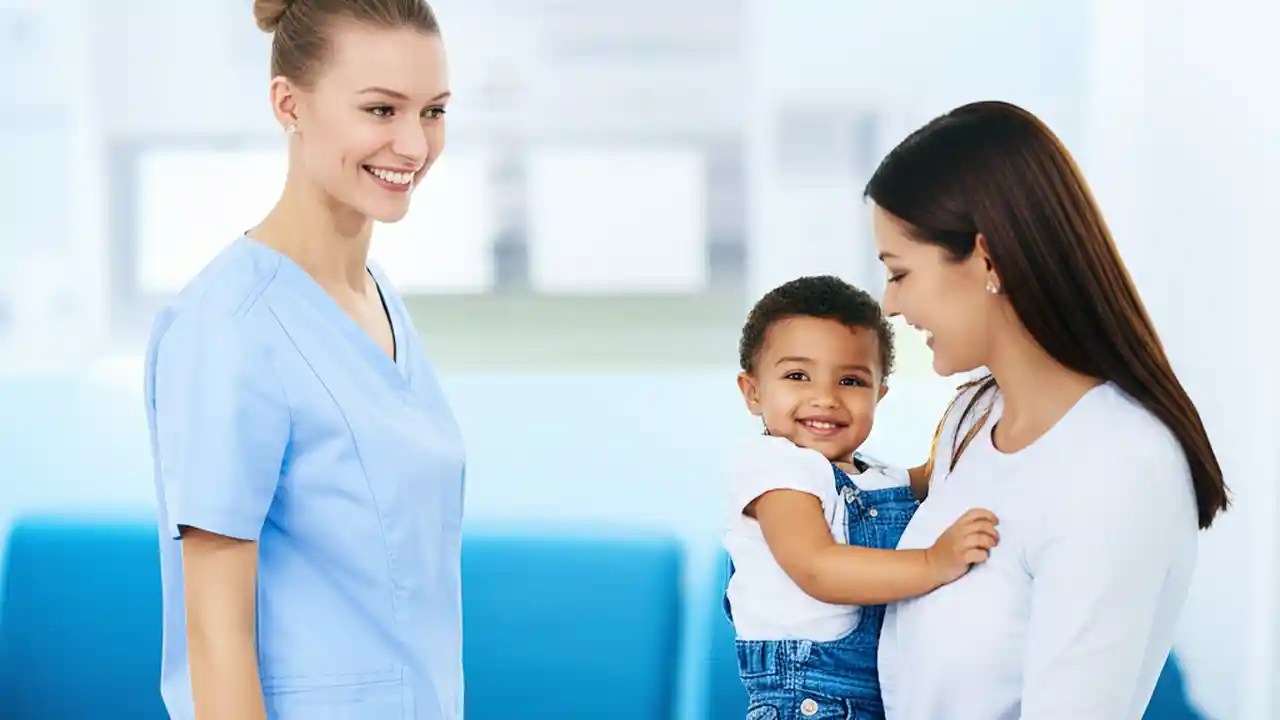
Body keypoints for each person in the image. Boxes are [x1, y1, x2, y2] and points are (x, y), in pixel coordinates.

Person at [142, 1, 463, 718]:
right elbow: (214, 636)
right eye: (381, 111)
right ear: (289, 103)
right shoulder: (229, 327)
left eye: (433, 111)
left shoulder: (376, 302)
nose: (414, 144)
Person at [868, 100, 1229, 719]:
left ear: (986, 259)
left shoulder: (1119, 463)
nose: (890, 304)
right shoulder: (972, 422)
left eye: (900, 273)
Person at [723, 275, 1000, 719]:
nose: (825, 398)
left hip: (875, 697)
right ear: (753, 392)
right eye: (797, 375)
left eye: (850, 381)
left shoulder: (872, 475)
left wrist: (983, 430)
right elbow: (818, 568)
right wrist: (933, 561)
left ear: (879, 395)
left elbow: (935, 477)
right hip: (808, 700)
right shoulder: (776, 467)